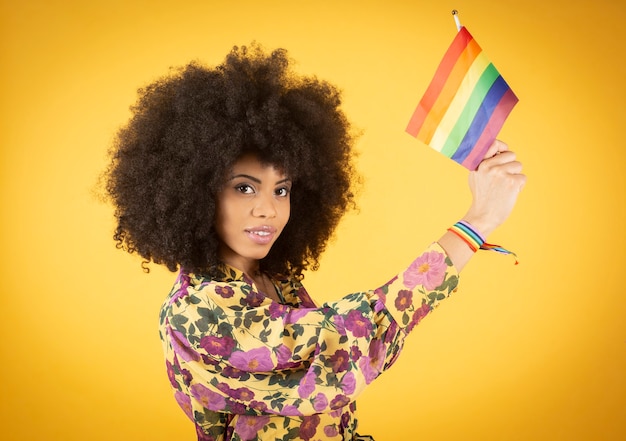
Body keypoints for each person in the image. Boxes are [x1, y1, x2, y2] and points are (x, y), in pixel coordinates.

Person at [104, 44, 525, 441]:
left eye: (281, 190)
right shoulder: (198, 310)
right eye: (245, 189)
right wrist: (478, 221)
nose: (268, 210)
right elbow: (344, 352)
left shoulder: (272, 277)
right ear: (196, 191)